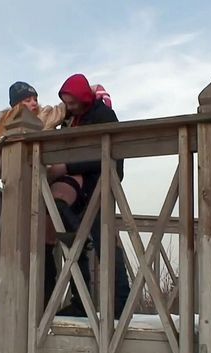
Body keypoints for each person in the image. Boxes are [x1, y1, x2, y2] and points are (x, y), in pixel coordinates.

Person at [47, 73, 131, 319]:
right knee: (74, 242)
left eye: (72, 101)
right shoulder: (74, 118)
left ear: (83, 97)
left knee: (105, 244)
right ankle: (80, 303)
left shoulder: (102, 116)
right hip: (80, 188)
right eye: (66, 102)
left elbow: (110, 154)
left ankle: (121, 305)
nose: (69, 107)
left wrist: (67, 168)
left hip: (101, 183)